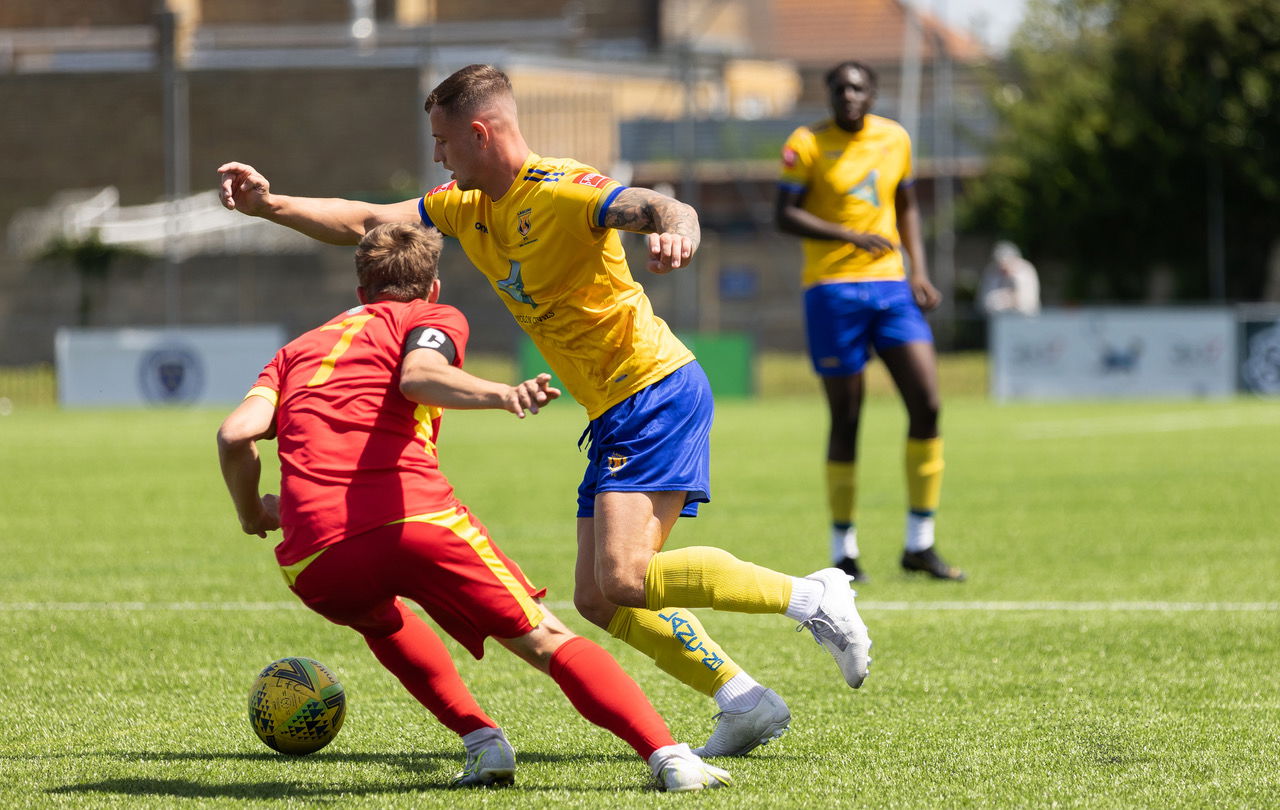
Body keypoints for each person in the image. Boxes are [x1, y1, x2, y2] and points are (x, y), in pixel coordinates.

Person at [218, 63, 871, 760]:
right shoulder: (465, 206)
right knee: (599, 599)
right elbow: (369, 220)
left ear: (479, 133)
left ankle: (810, 596)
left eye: (443, 141)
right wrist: (270, 205)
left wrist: (678, 229)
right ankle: (743, 699)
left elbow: (656, 205)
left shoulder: (561, 189)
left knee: (624, 576)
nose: (436, 156)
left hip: (652, 387)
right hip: (612, 407)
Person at [216, 222, 732, 791]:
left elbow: (235, 434)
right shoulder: (430, 317)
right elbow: (419, 376)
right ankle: (669, 757)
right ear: (432, 286)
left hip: (314, 553)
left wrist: (253, 513)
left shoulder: (294, 353)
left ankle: (483, 743)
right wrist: (503, 394)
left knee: (380, 621)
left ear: (360, 291)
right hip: (414, 519)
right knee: (545, 640)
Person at [775, 60, 965, 583]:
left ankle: (919, 544)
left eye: (858, 88)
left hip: (891, 288)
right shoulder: (807, 144)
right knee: (847, 418)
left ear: (873, 94)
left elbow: (906, 204)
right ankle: (844, 552)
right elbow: (783, 214)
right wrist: (849, 236)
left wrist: (918, 270)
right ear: (829, 95)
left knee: (928, 404)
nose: (849, 96)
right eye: (839, 89)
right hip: (831, 290)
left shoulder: (894, 138)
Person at [979, 240, 1040, 317]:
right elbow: (984, 302)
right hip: (995, 319)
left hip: (1023, 319)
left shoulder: (1026, 271)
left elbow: (1029, 303)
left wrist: (1012, 299)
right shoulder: (991, 271)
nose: (1003, 269)